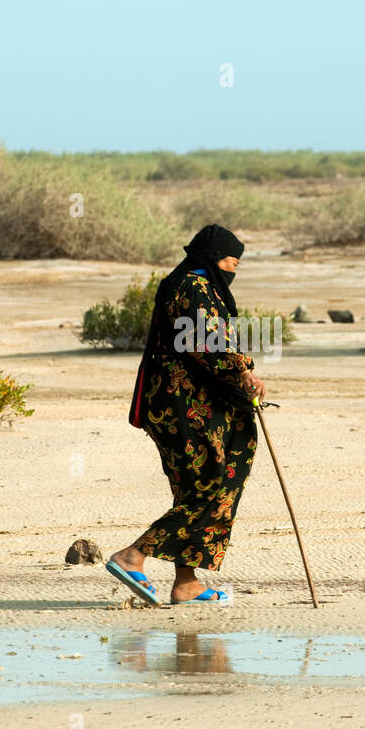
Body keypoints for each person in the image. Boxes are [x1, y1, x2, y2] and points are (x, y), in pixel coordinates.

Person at [106, 224, 266, 605]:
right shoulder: (191, 287)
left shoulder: (192, 284)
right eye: (231, 262)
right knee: (212, 480)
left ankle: (187, 582)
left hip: (188, 403)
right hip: (183, 405)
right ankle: (132, 556)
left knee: (195, 485)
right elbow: (204, 342)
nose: (234, 271)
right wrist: (242, 369)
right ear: (213, 258)